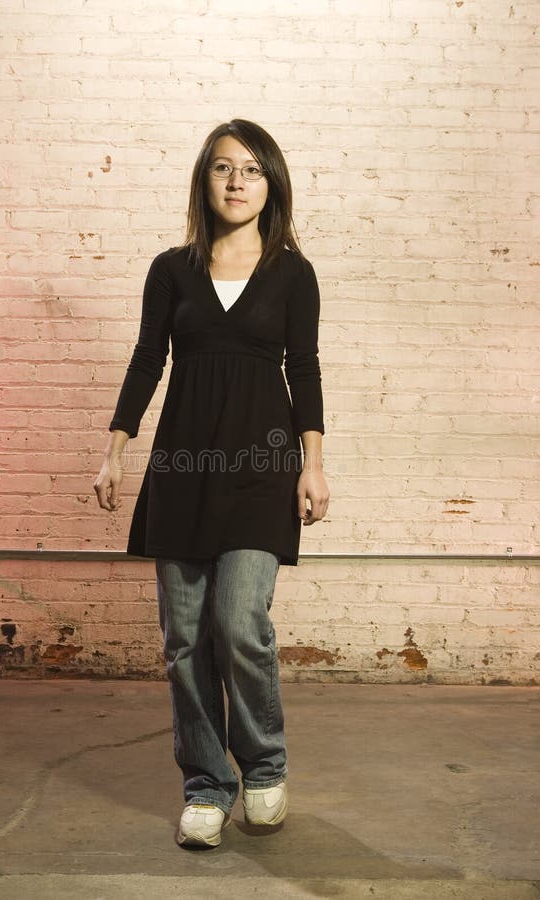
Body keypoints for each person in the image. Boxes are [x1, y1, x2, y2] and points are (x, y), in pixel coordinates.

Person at [94, 118, 329, 848]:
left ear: (271, 184)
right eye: (224, 168)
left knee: (238, 625)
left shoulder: (291, 272)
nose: (237, 181)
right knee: (184, 640)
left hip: (261, 468)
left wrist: (313, 465)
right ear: (204, 179)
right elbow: (145, 360)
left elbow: (305, 369)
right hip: (183, 466)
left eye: (252, 170)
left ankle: (261, 769)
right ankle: (204, 784)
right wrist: (115, 450)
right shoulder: (171, 268)